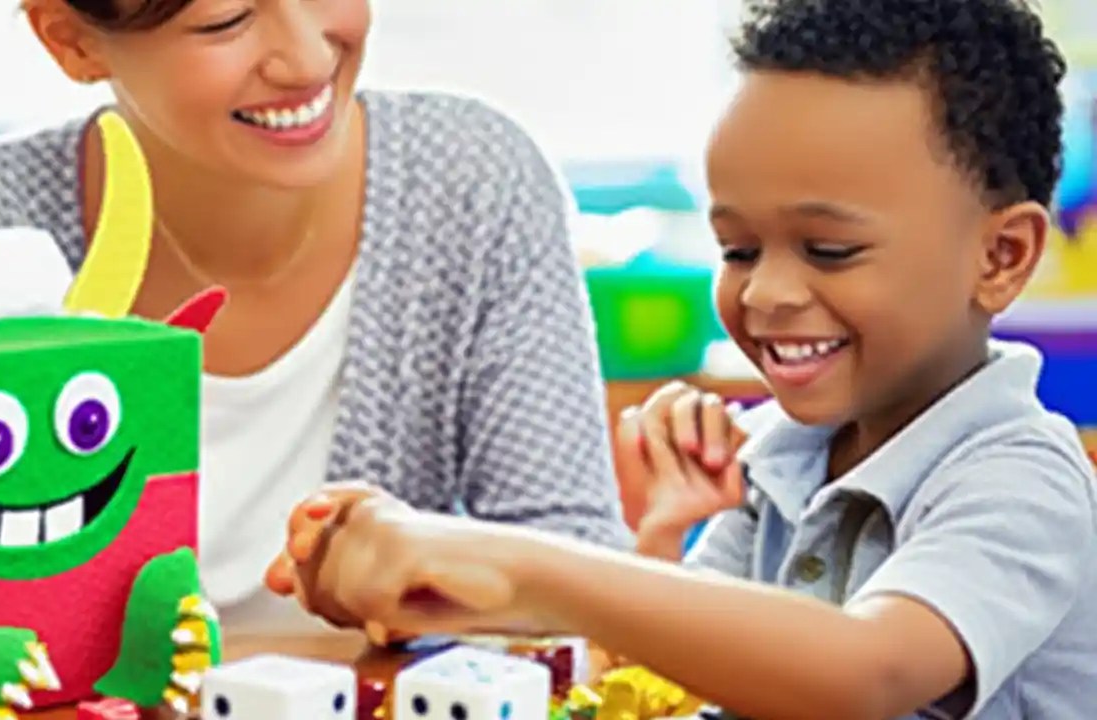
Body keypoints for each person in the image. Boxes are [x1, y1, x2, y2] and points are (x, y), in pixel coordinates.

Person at [265, 0, 1097, 717]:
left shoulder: (1019, 479)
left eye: (830, 250)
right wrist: (439, 587)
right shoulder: (780, 457)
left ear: (1001, 257)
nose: (766, 293)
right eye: (737, 249)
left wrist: (503, 559)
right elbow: (662, 674)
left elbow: (861, 676)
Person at [0, 0, 630, 629]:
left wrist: (430, 580)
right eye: (225, 20)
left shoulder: (472, 183)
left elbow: (573, 567)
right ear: (70, 41)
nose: (304, 59)